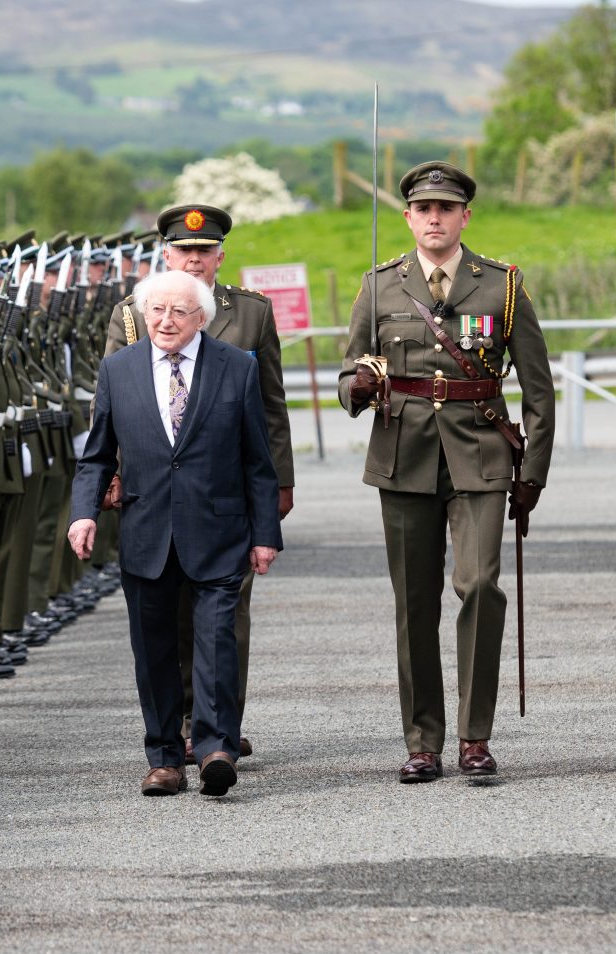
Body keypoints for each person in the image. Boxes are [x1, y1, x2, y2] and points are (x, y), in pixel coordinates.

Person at [338, 161, 555, 784]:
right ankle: (423, 741)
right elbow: (347, 371)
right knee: (413, 602)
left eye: (446, 208)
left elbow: (538, 390)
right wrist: (361, 381)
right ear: (407, 217)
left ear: (465, 216)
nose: (434, 218)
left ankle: (474, 737)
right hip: (403, 457)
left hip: (482, 456)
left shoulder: (503, 286)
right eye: (423, 209)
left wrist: (533, 471)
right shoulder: (379, 285)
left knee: (481, 586)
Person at [69, 269, 281, 798]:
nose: (165, 321)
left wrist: (265, 533)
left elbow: (259, 460)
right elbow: (96, 454)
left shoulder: (235, 368)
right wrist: (84, 513)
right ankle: (164, 758)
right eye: (156, 310)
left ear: (202, 319)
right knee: (155, 652)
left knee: (216, 643)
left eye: (179, 311)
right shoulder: (119, 369)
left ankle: (215, 749)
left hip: (219, 530)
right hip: (146, 531)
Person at [105, 204, 294, 759]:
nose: (193, 259)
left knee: (227, 609)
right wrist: (114, 475)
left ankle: (220, 723)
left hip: (228, 489)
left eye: (203, 251)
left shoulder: (252, 313)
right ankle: (187, 718)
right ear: (165, 254)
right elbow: (118, 404)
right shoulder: (136, 314)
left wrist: (280, 480)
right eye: (183, 251)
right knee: (172, 609)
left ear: (219, 256)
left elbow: (271, 404)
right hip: (159, 489)